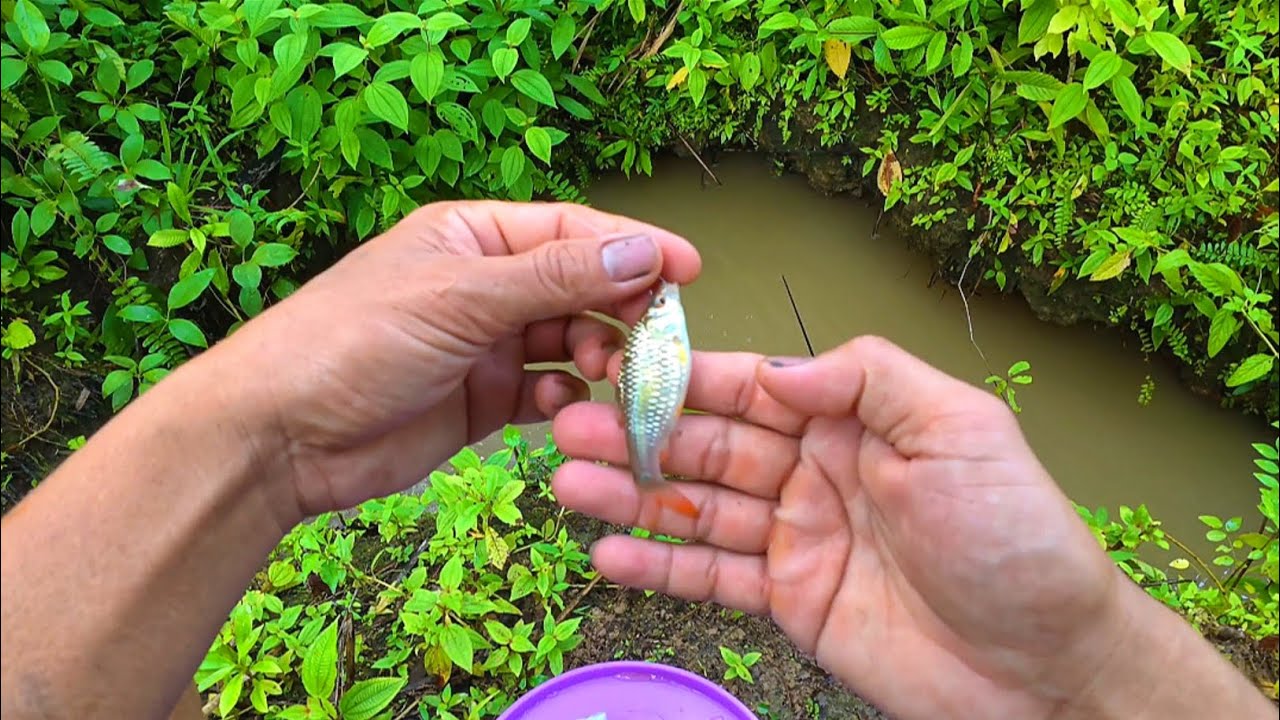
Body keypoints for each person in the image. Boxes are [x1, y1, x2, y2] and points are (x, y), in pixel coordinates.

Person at [0, 201, 1271, 720]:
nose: (655, 307)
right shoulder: (644, 332)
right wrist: (1096, 667)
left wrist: (1084, 657)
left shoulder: (645, 339)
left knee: (631, 461)